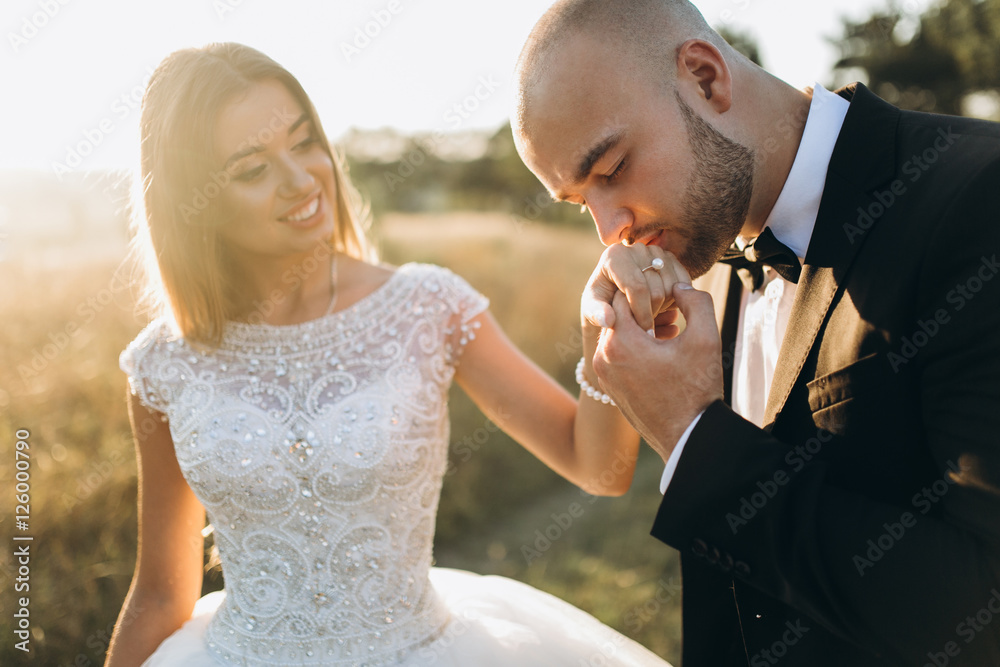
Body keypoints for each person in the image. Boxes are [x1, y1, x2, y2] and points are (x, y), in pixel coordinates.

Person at [105, 42, 670, 667]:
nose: (300, 180)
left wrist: (606, 335)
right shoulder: (163, 364)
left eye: (303, 142)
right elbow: (160, 593)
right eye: (251, 169)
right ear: (195, 202)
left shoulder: (429, 306)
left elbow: (600, 469)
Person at [512, 0, 1000, 665]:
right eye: (579, 202)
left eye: (613, 170)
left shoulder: (977, 199)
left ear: (705, 77)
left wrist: (691, 433)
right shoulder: (702, 269)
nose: (608, 230)